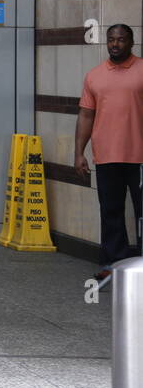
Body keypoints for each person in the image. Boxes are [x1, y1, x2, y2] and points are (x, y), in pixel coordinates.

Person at [75, 24, 143, 287]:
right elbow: (85, 115)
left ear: (131, 42)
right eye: (111, 40)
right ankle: (113, 266)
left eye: (121, 40)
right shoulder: (94, 76)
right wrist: (78, 153)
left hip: (139, 158)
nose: (115, 44)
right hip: (106, 157)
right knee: (111, 213)